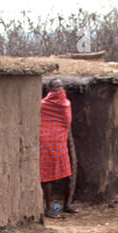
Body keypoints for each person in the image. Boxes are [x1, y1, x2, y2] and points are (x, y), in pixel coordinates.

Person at [40, 79, 73, 218]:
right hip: (47, 142)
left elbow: (66, 122)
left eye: (61, 86)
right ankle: (48, 208)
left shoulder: (66, 104)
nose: (60, 89)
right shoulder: (43, 105)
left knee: (67, 176)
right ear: (50, 89)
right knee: (47, 177)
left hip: (60, 142)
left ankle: (66, 205)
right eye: (56, 86)